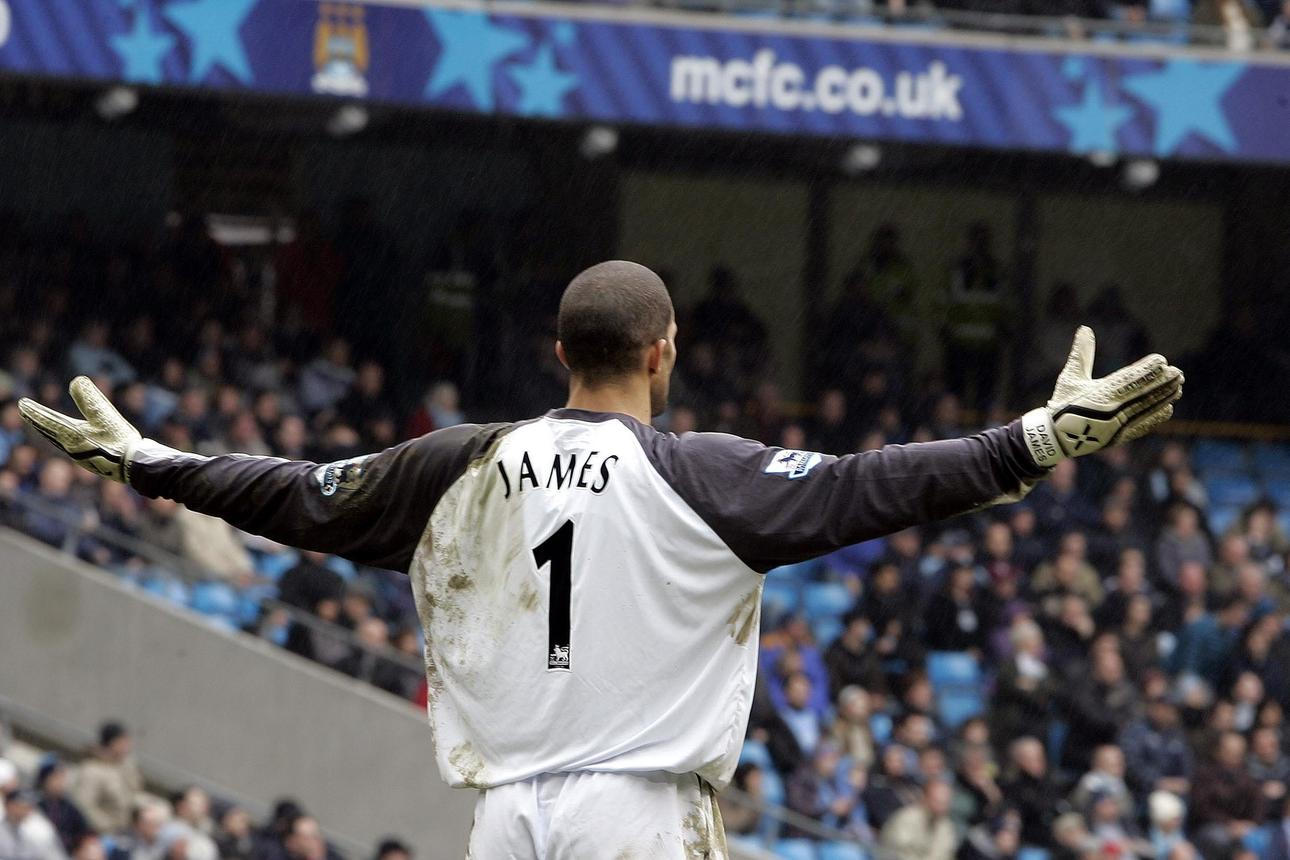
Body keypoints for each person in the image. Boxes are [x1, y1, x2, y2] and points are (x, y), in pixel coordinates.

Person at [19, 262, 1182, 858]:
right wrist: (1033, 437)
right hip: (638, 812)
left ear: (558, 351)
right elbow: (874, 482)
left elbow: (291, 495)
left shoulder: (458, 465)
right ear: (664, 352)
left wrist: (150, 463)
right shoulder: (705, 474)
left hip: (503, 818)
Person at [73, 721, 143, 836]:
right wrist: (108, 826)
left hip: (125, 831)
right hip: (101, 833)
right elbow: (83, 805)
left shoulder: (124, 766)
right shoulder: (92, 770)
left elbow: (135, 791)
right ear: (113, 743)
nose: (128, 746)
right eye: (124, 742)